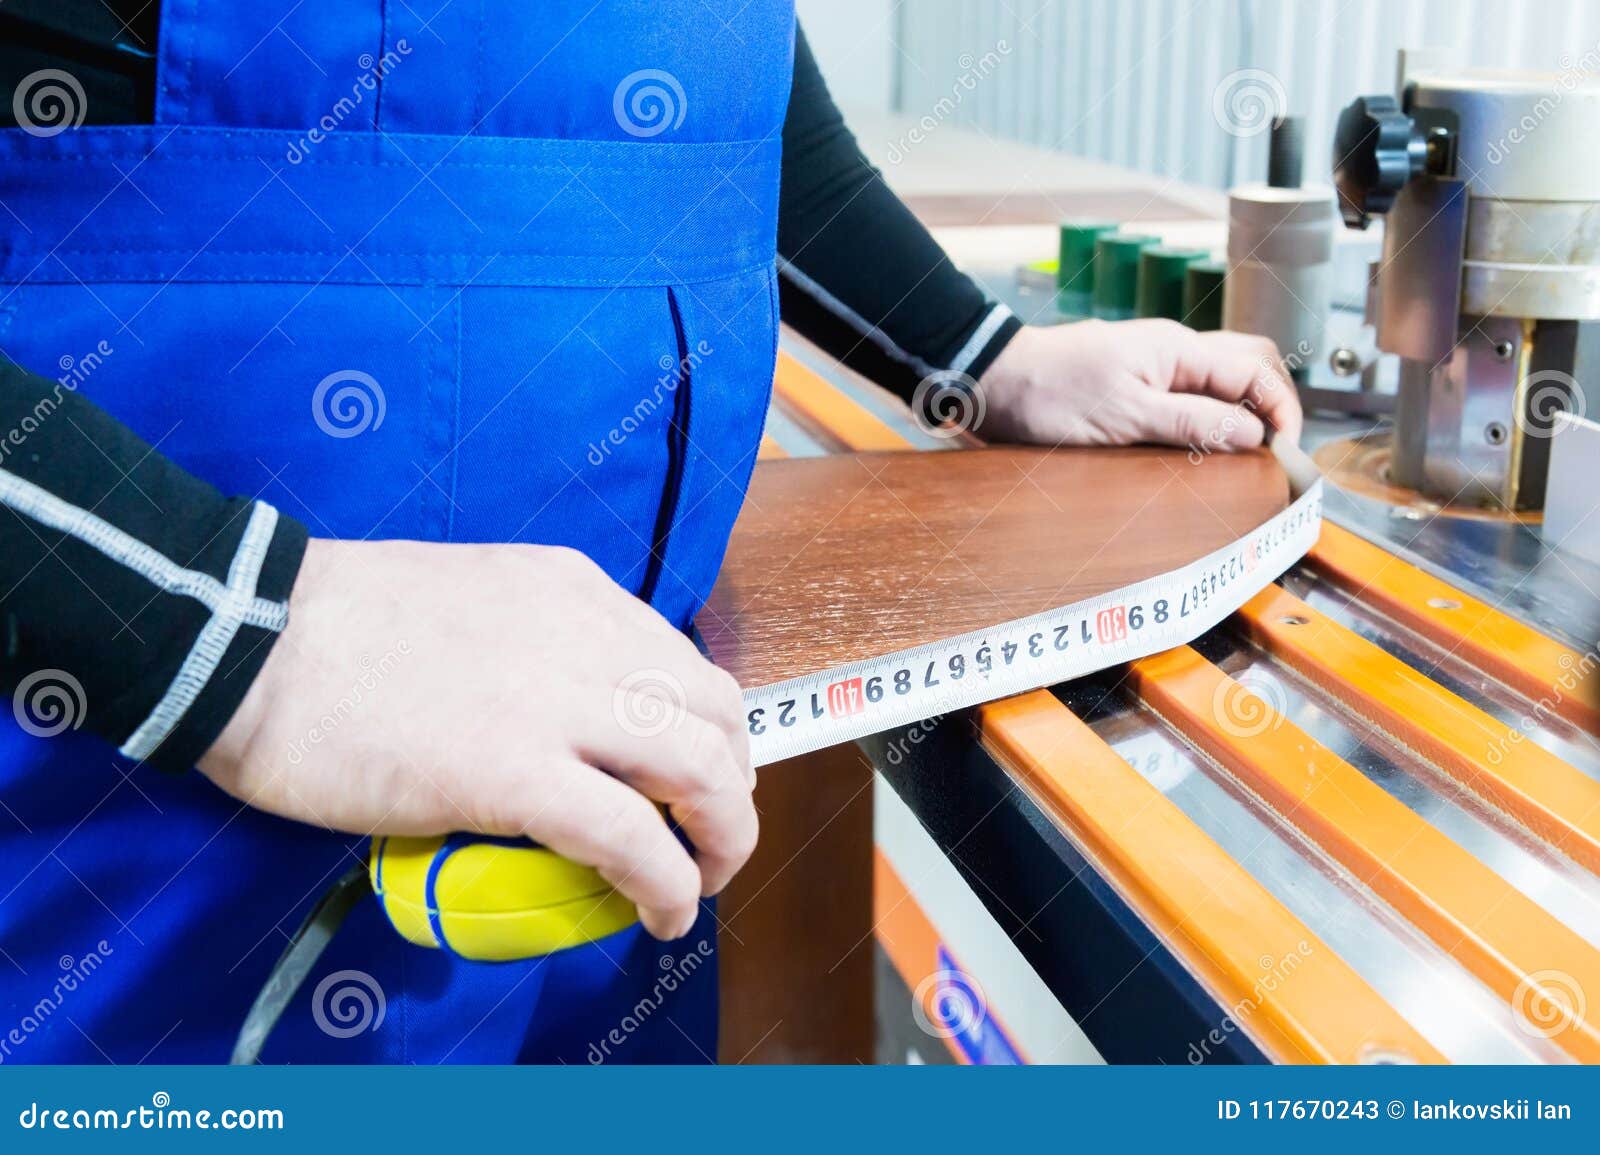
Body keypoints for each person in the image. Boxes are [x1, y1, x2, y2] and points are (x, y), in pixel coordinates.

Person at [0, 1, 1300, 1064]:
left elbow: (706, 75)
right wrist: (232, 629)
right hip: (127, 823)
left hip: (602, 855)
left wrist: (971, 356)